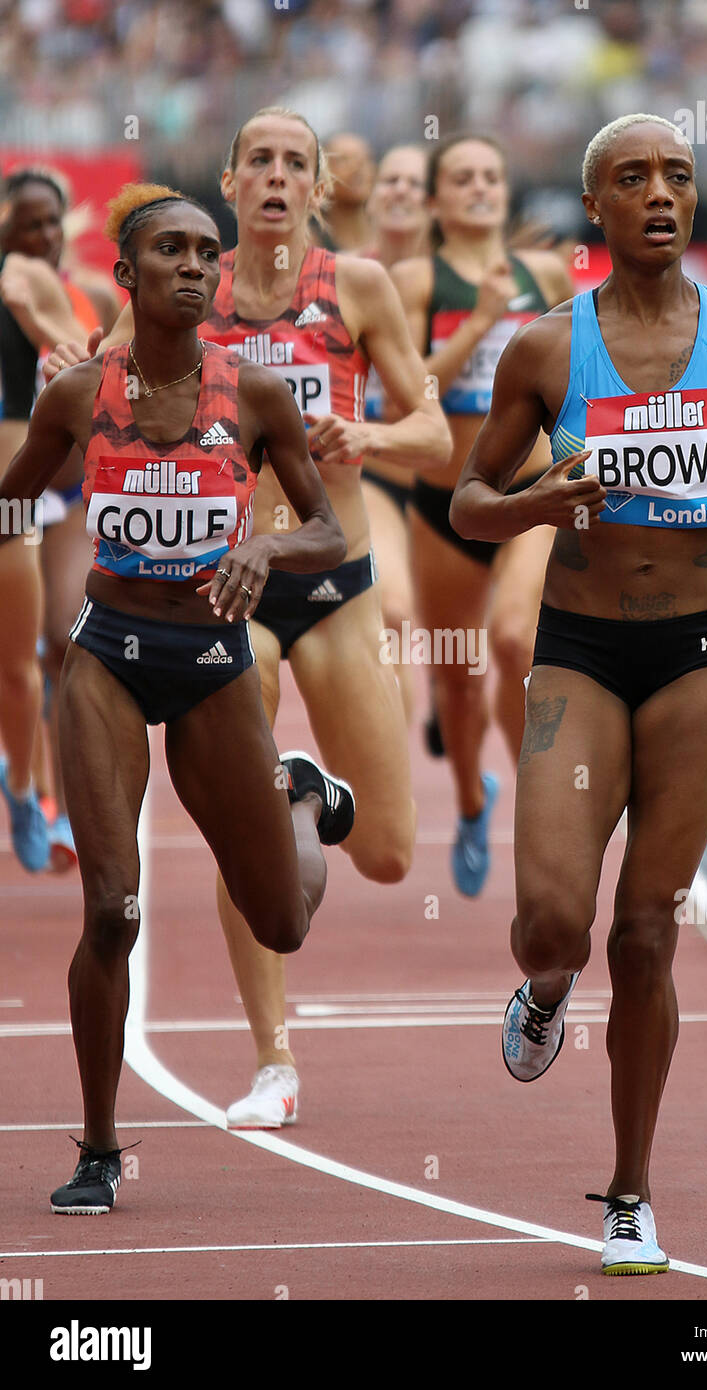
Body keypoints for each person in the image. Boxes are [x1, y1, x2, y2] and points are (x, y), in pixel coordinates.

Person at [449, 113, 707, 1275]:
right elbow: (473, 503)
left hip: (701, 652)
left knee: (645, 929)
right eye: (633, 178)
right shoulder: (542, 348)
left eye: (676, 174)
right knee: (553, 926)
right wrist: (540, 504)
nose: (661, 193)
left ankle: (627, 1191)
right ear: (598, 207)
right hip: (579, 647)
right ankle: (540, 991)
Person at [46, 109, 451, 1131]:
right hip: (220, 596)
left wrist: (364, 429)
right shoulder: (180, 285)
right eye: (258, 161)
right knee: (242, 801)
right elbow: (101, 396)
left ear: (316, 189)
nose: (275, 177)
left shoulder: (356, 288)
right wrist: (69, 380)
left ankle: (309, 797)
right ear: (229, 183)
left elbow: (436, 432)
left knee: (393, 851)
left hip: (331, 575)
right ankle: (274, 1056)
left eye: (294, 165)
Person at [1, 182, 350, 1213]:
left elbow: (327, 531)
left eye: (209, 252)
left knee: (280, 922)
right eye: (173, 251)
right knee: (112, 909)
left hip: (211, 668)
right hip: (106, 654)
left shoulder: (255, 397)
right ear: (127, 275)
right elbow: (15, 493)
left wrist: (267, 544)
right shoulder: (78, 395)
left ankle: (295, 795)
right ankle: (100, 1147)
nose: (197, 266)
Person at [391, 133, 574, 896]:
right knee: (457, 676)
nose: (479, 188)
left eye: (491, 176)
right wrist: (479, 321)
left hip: (530, 498)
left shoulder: (550, 274)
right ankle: (472, 801)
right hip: (446, 504)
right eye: (461, 178)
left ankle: (539, 799)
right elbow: (408, 393)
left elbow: (578, 378)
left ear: (506, 192)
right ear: (435, 200)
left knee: (512, 642)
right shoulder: (413, 278)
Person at [1, 167, 121, 870]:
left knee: (62, 641)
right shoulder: (10, 277)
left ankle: (65, 810)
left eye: (52, 223)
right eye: (27, 225)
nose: (44, 238)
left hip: (73, 493)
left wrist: (47, 329)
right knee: (23, 655)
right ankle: (30, 787)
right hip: (20, 491)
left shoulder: (89, 292)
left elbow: (99, 369)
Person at [0, 202, 88, 871]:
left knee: (27, 662)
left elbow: (89, 363)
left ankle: (30, 795)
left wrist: (32, 314)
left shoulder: (26, 281)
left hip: (17, 502)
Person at [361, 143, 432, 720]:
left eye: (416, 182)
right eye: (392, 179)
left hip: (454, 485)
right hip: (378, 478)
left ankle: (468, 779)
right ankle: (395, 787)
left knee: (475, 654)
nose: (403, 191)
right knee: (394, 612)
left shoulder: (465, 281)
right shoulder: (341, 278)